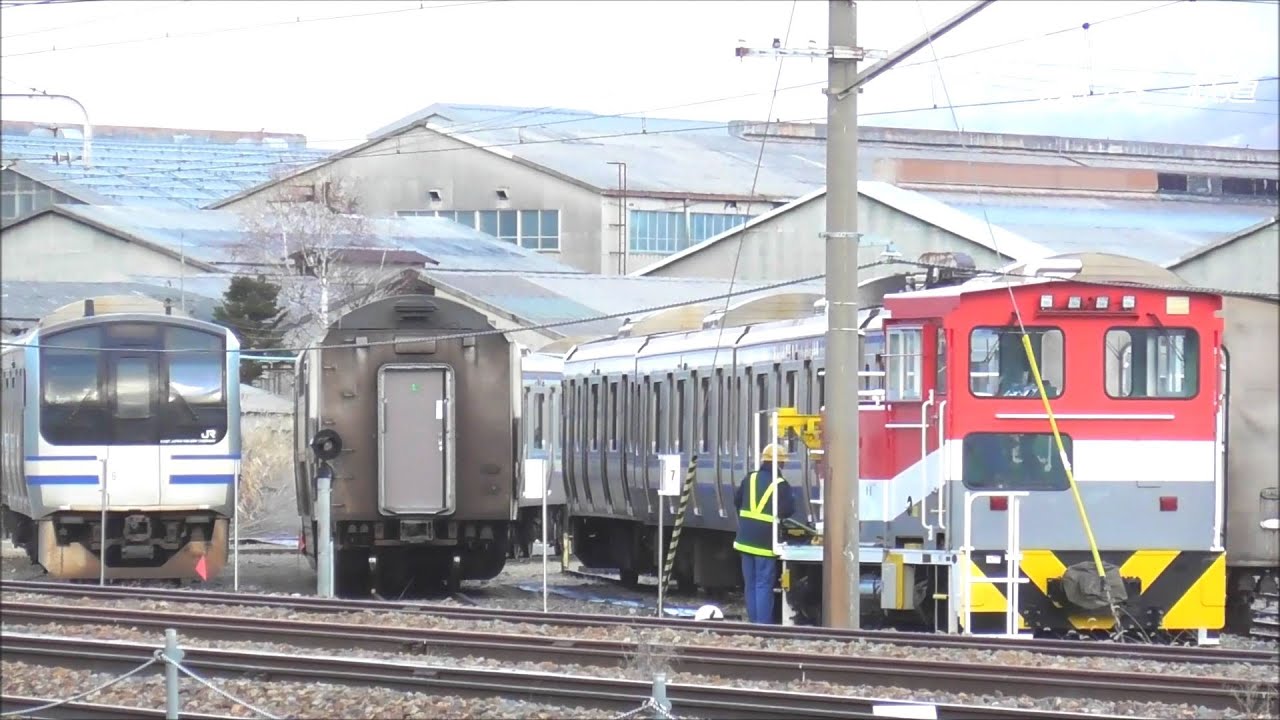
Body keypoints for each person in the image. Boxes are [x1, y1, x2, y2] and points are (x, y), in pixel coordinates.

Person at [733, 443, 796, 624]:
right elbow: (787, 511)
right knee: (763, 584)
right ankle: (763, 626)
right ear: (779, 463)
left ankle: (754, 624)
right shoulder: (780, 485)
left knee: (750, 584)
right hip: (765, 543)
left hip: (744, 540)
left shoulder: (749, 478)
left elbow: (737, 501)